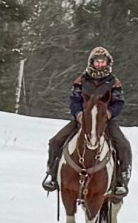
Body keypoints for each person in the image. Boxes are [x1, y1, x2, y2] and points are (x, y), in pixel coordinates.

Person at [43, 46, 132, 197]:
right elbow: (74, 100)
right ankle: (52, 173)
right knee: (56, 141)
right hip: (83, 119)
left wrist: (109, 113)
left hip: (105, 120)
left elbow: (118, 102)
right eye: (97, 61)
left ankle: (121, 179)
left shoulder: (114, 82)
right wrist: (78, 114)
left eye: (103, 62)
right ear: (91, 62)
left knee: (123, 145)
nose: (100, 65)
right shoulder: (81, 80)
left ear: (108, 63)